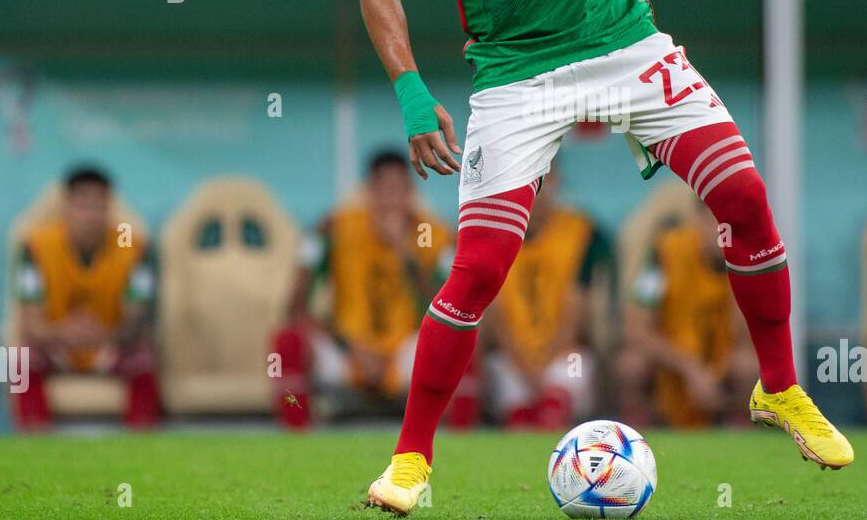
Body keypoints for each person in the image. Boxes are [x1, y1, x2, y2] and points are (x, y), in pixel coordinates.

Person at [359, 0, 853, 517]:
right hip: (516, 78)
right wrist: (413, 94)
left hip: (626, 46)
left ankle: (779, 390)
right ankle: (411, 461)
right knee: (478, 270)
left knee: (744, 198)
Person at [269, 150, 454, 428]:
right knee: (287, 340)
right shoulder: (338, 227)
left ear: (410, 192)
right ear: (370, 191)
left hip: (405, 353)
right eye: (384, 189)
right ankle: (297, 439)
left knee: (457, 339)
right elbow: (294, 305)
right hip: (348, 351)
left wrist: (405, 254)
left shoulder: (431, 233)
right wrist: (349, 346)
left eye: (399, 189)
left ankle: (454, 438)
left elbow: (449, 311)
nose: (391, 200)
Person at [10, 166, 161, 428]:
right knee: (23, 358)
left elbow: (136, 319)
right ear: (66, 207)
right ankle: (32, 440)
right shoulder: (36, 247)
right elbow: (31, 322)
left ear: (109, 207)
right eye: (82, 205)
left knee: (144, 357)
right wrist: (64, 332)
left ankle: (142, 440)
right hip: (57, 345)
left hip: (111, 345)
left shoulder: (130, 246)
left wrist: (103, 335)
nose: (90, 216)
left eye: (99, 206)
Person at [481, 160, 612, 428]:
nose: (536, 192)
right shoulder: (491, 232)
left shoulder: (582, 232)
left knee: (559, 397)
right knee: (517, 417)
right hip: (509, 357)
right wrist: (524, 364)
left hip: (565, 354)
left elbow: (579, 308)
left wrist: (541, 365)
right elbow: (494, 310)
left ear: (556, 181)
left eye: (543, 181)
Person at [618, 198, 758, 427]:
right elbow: (635, 328)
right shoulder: (663, 255)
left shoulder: (750, 262)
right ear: (699, 219)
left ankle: (740, 431)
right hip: (672, 362)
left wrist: (738, 270)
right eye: (720, 223)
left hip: (721, 366)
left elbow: (747, 337)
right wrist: (690, 369)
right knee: (631, 364)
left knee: (747, 366)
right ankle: (636, 434)